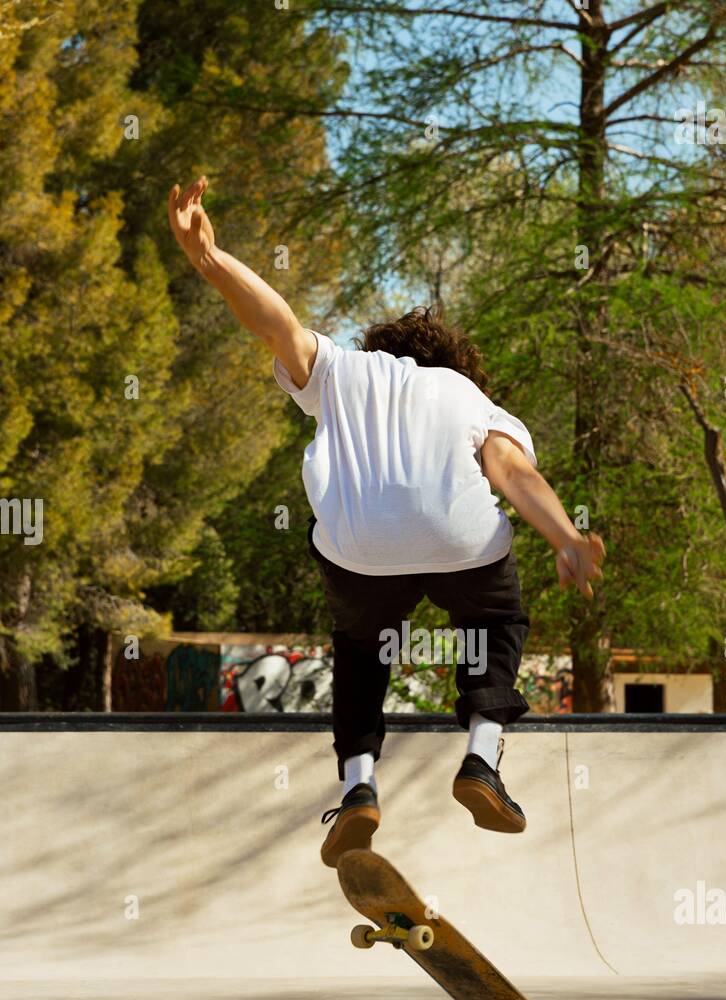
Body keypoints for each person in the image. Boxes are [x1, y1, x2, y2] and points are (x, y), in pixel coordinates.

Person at [168, 176, 605, 866]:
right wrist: (567, 539)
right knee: (495, 625)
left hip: (358, 545)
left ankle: (359, 790)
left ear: (384, 347)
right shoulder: (471, 396)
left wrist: (208, 259)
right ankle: (482, 760)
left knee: (361, 651)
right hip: (458, 536)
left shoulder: (343, 371)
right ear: (451, 363)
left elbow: (275, 323)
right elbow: (509, 471)